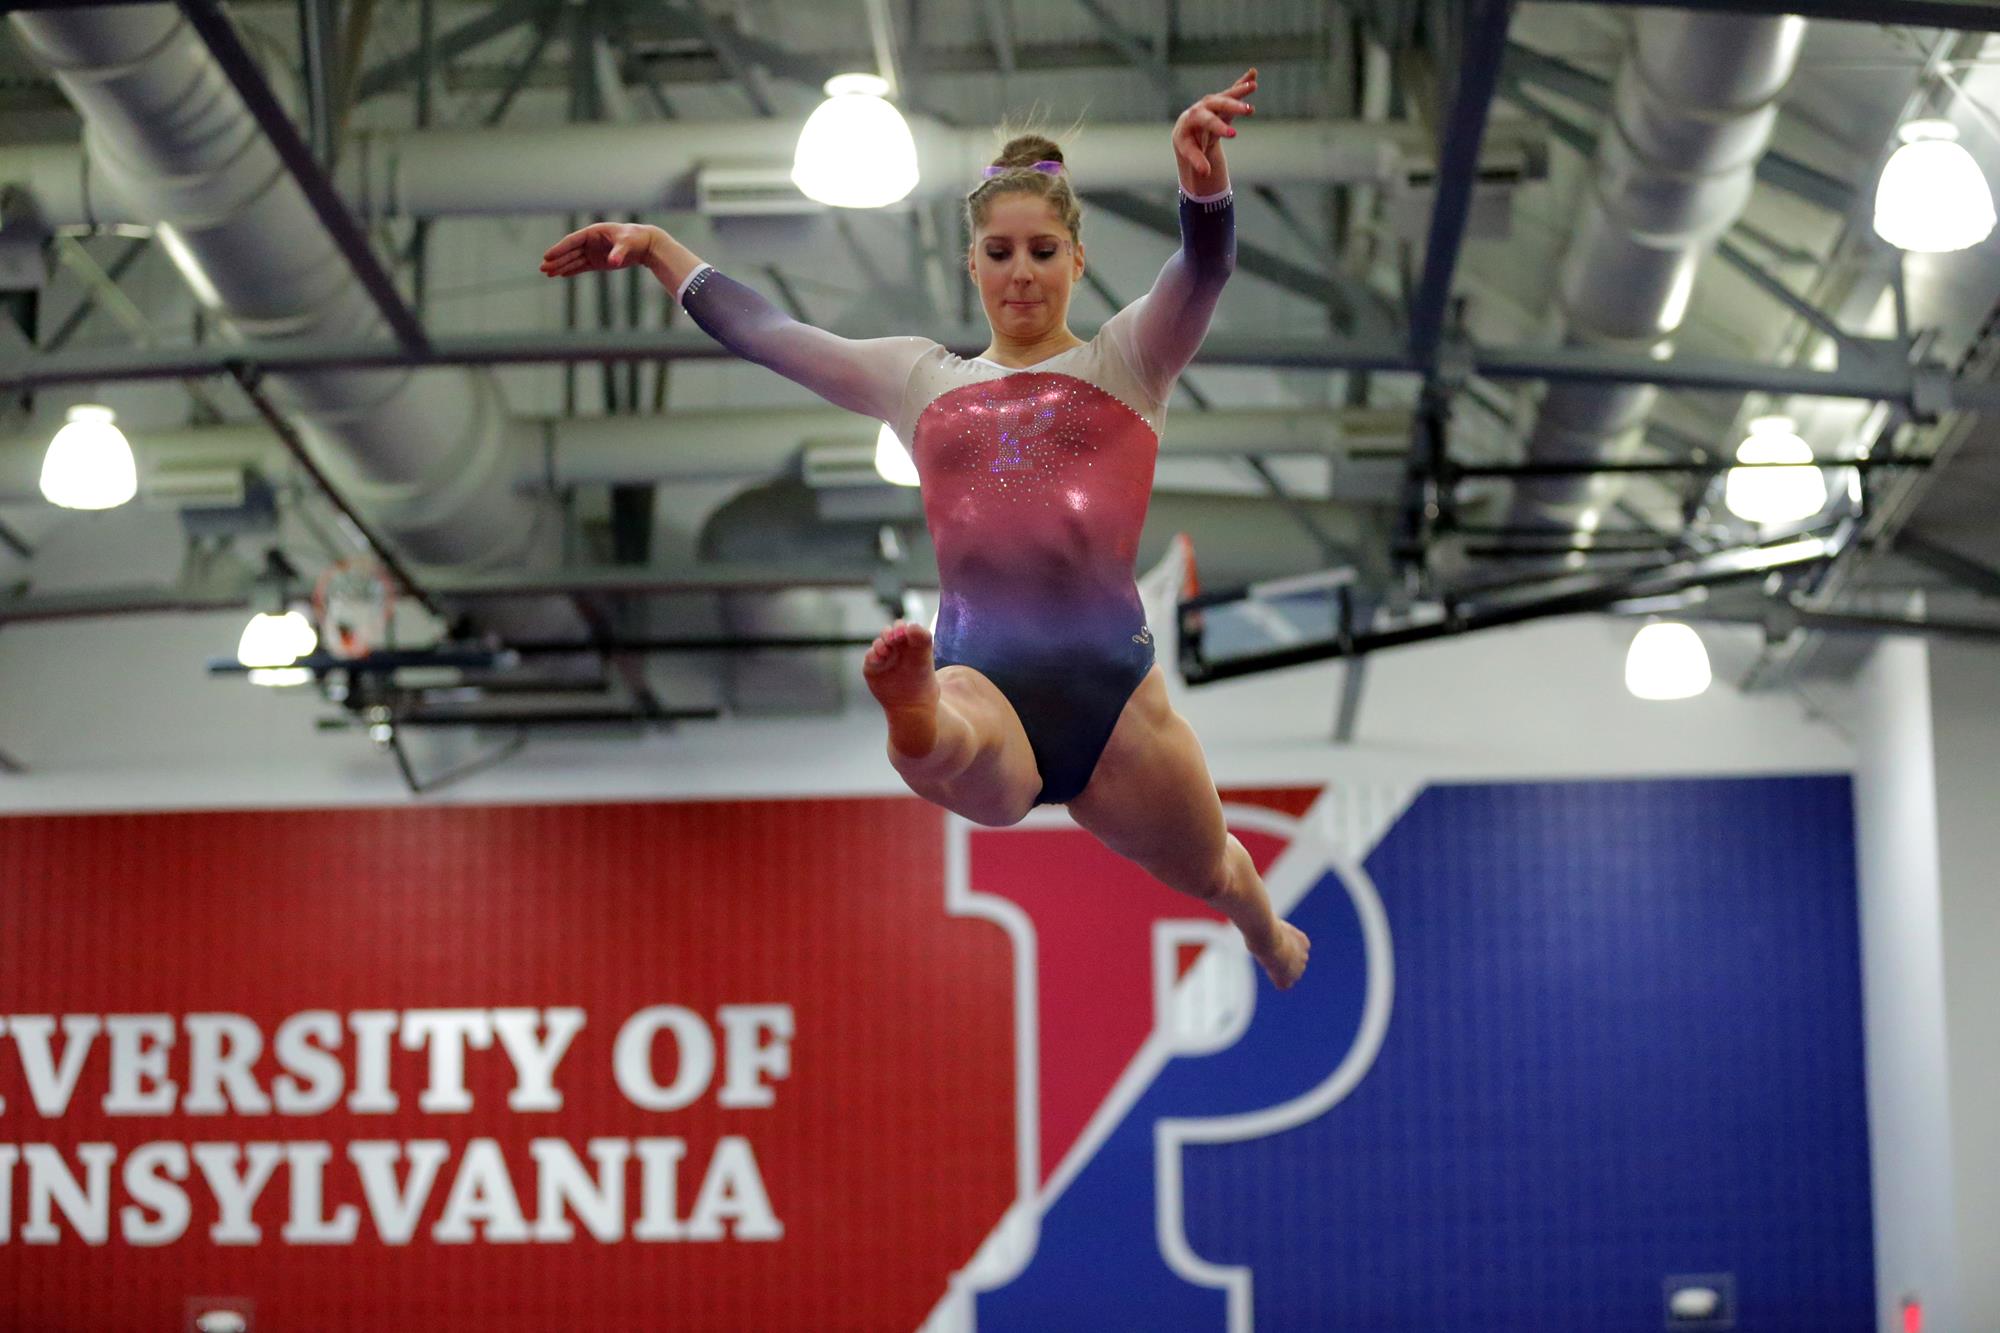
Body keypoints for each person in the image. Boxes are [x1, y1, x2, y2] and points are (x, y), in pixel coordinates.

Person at [541, 70, 1308, 990]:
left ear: (1077, 258)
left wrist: (1201, 186)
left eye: (1041, 250)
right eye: (998, 251)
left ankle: (1267, 932)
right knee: (953, 743)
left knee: (1217, 870)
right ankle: (913, 704)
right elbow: (773, 335)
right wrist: (664, 249)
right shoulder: (921, 381)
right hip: (982, 677)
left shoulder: (1129, 361)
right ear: (971, 263)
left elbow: (1205, 269)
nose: (1020, 272)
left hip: (1119, 709)